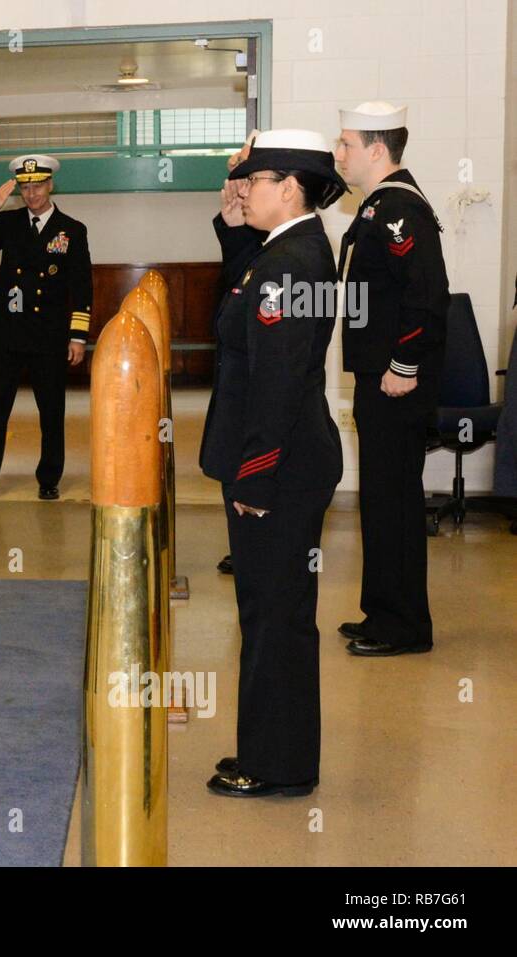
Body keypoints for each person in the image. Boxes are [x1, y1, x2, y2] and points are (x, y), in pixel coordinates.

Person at [199, 129, 345, 798]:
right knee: (270, 610)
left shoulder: (291, 262)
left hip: (280, 468)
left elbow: (278, 380)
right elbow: (243, 309)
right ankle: (272, 752)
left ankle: (277, 763)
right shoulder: (285, 250)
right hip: (287, 460)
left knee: (276, 615)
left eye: (252, 182)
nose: (242, 189)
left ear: (289, 187)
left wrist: (254, 477)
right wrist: (234, 229)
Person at [333, 101, 449, 657]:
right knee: (379, 500)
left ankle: (405, 627)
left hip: (396, 383)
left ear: (377, 150)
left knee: (395, 503)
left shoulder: (402, 209)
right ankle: (381, 612)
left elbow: (427, 299)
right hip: (379, 378)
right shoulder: (376, 207)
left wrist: (403, 368)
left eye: (346, 144)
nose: (339, 153)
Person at [0, 154, 92, 499]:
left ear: (50, 185)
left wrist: (77, 336)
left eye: (37, 186)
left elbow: (82, 288)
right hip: (7, 331)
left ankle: (49, 479)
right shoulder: (8, 222)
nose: (32, 193)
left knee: (51, 412)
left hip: (48, 335)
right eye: (25, 187)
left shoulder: (72, 230)